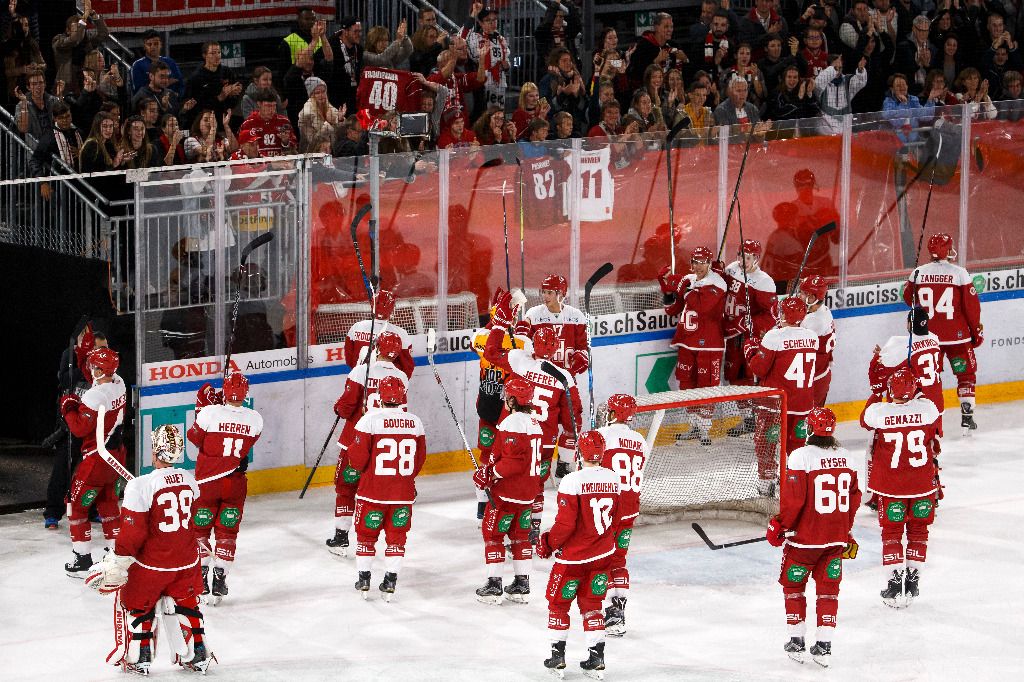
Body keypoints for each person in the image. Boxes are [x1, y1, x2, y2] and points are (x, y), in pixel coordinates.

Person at [85, 425, 212, 675]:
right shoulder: (190, 479)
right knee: (187, 603)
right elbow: (195, 521)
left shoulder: (141, 485)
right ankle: (197, 652)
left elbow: (133, 534)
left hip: (152, 566)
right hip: (187, 562)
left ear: (155, 452)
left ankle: (139, 655)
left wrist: (119, 560)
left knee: (136, 602)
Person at [765, 407, 860, 667]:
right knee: (829, 591)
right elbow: (854, 499)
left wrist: (779, 525)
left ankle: (797, 641)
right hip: (836, 540)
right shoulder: (847, 457)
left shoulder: (800, 456)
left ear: (809, 429)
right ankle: (825, 645)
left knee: (794, 586)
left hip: (805, 541)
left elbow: (795, 501)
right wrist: (845, 531)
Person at [486, 295, 582, 537]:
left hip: (512, 432)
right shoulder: (564, 377)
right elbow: (572, 422)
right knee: (535, 485)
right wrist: (566, 459)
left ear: (534, 344)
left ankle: (500, 527)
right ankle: (532, 527)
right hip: (544, 441)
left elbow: (491, 352)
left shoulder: (519, 361)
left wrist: (498, 324)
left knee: (503, 479)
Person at [535, 430, 620, 677]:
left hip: (572, 559)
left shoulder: (573, 480)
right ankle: (597, 658)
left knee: (558, 604)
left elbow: (565, 525)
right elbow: (615, 519)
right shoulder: (613, 479)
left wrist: (547, 543)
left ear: (580, 452)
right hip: (603, 554)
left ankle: (558, 656)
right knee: (593, 605)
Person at [860, 369, 941, 609]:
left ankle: (895, 584)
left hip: (891, 487)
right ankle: (913, 580)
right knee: (919, 532)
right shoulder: (927, 409)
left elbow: (864, 419)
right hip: (922, 486)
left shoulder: (880, 412)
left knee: (892, 534)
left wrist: (877, 393)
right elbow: (926, 401)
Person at [327, 332, 410, 556]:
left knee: (345, 488)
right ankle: (381, 543)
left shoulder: (361, 371)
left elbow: (345, 409)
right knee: (372, 494)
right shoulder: (401, 377)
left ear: (377, 347)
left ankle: (341, 537)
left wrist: (337, 407)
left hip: (355, 442)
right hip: (384, 445)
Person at [187, 372, 263, 604]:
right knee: (227, 532)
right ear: (246, 393)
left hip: (207, 483)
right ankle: (220, 575)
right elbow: (247, 442)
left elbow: (194, 437)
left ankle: (201, 573)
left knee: (200, 529)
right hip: (235, 483)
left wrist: (203, 408)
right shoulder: (255, 419)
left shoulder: (210, 412)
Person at [348, 376, 426, 601]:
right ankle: (390, 581)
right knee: (397, 538)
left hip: (372, 493)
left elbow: (357, 460)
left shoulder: (369, 420)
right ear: (402, 398)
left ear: (380, 396)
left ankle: (364, 580)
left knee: (365, 536)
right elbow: (419, 459)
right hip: (402, 494)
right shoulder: (415, 422)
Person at [472, 374, 543, 605]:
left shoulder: (513, 422)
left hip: (507, 493)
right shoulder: (535, 424)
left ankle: (494, 585)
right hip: (528, 493)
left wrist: (490, 474)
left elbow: (513, 462)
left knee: (493, 535)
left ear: (513, 400)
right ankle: (522, 584)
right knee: (520, 536)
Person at [902, 233, 983, 433]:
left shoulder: (918, 273)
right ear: (947, 250)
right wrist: (975, 331)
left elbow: (908, 299)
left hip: (928, 338)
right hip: (958, 337)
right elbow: (971, 308)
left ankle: (927, 420)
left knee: (929, 377)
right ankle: (967, 417)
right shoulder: (959, 273)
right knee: (966, 375)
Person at [59, 347, 126, 577]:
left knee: (75, 505)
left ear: (100, 369)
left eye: (93, 366)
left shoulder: (95, 395)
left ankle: (83, 559)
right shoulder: (119, 382)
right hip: (117, 455)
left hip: (97, 458)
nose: (90, 369)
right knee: (108, 503)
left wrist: (68, 407)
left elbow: (79, 428)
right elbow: (96, 384)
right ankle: (115, 556)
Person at [744, 297, 819, 491]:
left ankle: (766, 482)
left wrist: (751, 349)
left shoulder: (774, 336)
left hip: (775, 404)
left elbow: (759, 369)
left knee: (766, 442)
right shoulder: (812, 336)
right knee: (796, 446)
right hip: (803, 405)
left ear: (785, 315)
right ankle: (793, 482)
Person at [471, 288, 529, 520]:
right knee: (505, 456)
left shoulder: (480, 337)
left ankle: (483, 504)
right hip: (506, 409)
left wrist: (500, 319)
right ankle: (491, 502)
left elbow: (487, 337)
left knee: (488, 455)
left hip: (490, 405)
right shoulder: (522, 343)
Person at [596, 394, 646, 637]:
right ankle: (618, 613)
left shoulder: (603, 436)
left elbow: (585, 468)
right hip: (630, 509)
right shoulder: (640, 440)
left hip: (607, 508)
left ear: (614, 413)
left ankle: (599, 609)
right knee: (618, 560)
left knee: (600, 559)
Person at [661, 246, 727, 399]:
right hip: (687, 343)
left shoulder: (717, 283)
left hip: (709, 346)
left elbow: (702, 306)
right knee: (685, 385)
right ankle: (692, 422)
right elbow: (672, 310)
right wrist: (668, 291)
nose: (698, 266)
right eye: (695, 262)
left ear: (709, 263)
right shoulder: (688, 279)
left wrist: (682, 288)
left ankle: (704, 424)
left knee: (707, 389)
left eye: (702, 262)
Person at [722, 239, 778, 390]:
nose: (743, 261)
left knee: (747, 375)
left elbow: (772, 316)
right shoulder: (732, 268)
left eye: (748, 257)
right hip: (727, 330)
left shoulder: (764, 282)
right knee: (730, 374)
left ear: (756, 259)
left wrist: (749, 322)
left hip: (746, 335)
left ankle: (749, 409)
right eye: (741, 256)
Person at [869, 306, 944, 418]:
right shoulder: (934, 339)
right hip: (937, 404)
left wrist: (880, 355)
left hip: (917, 407)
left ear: (909, 324)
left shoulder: (902, 346)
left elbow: (884, 366)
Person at [343, 289, 414, 376]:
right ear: (391, 308)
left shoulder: (357, 327)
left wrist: (360, 376)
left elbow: (349, 358)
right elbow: (407, 366)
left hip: (360, 381)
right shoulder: (401, 333)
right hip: (390, 385)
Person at [460, 3, 512, 114]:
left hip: (500, 83)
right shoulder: (476, 38)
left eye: (494, 19)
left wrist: (506, 65)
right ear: (480, 23)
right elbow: (462, 38)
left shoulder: (501, 39)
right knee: (484, 115)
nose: (493, 23)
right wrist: (473, 14)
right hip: (483, 84)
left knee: (499, 114)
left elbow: (507, 60)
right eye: (488, 20)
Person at [797, 275, 836, 408]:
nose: (800, 295)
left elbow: (792, 338)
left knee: (807, 420)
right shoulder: (823, 311)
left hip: (815, 378)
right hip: (821, 373)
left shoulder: (814, 321)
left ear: (813, 297)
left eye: (804, 293)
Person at [184, 42, 242, 128]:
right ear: (204, 55)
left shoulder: (227, 72)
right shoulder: (195, 78)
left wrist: (234, 94)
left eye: (219, 52)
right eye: (213, 53)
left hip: (224, 117)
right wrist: (220, 97)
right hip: (203, 122)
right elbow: (195, 107)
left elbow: (233, 102)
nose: (217, 56)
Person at [51, 0, 108, 85]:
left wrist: (93, 14)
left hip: (84, 84)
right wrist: (85, 15)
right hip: (65, 86)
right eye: (76, 28)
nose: (80, 31)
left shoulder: (86, 44)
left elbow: (104, 34)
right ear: (68, 31)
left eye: (81, 28)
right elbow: (74, 39)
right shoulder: (58, 41)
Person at [814, 54, 867, 135]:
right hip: (826, 128)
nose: (838, 71)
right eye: (835, 68)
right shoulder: (823, 83)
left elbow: (860, 81)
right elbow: (818, 83)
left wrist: (860, 70)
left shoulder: (847, 81)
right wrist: (833, 69)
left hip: (845, 128)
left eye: (840, 68)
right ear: (828, 68)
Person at [238, 87, 293, 158]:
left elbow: (294, 151)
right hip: (258, 166)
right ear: (259, 104)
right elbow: (241, 150)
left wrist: (285, 142)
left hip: (282, 166)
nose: (272, 110)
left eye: (274, 106)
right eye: (268, 106)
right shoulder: (248, 124)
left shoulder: (284, 122)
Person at [130, 29, 185, 97]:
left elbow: (180, 84)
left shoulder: (170, 62)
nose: (153, 47)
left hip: (172, 103)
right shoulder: (138, 65)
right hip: (149, 104)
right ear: (144, 46)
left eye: (156, 44)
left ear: (161, 44)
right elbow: (138, 91)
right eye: (149, 44)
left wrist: (176, 97)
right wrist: (166, 83)